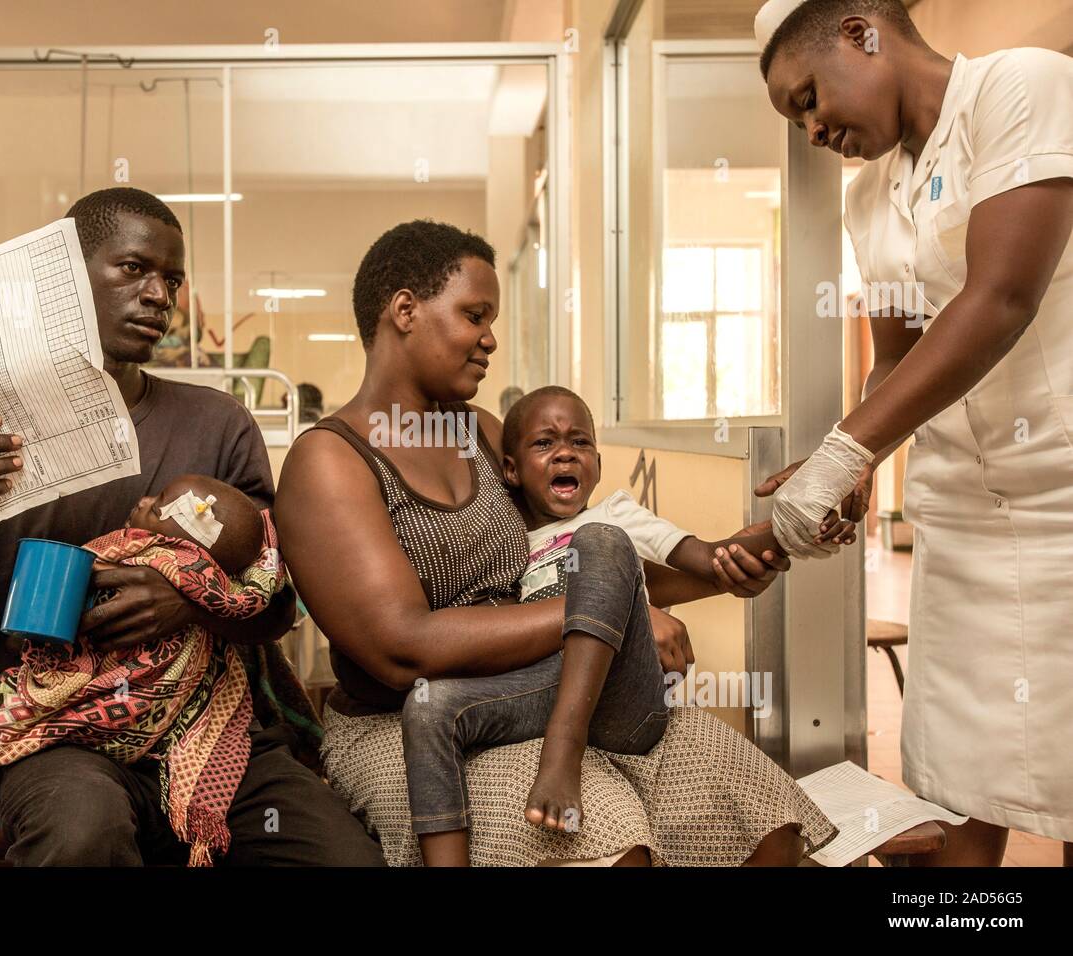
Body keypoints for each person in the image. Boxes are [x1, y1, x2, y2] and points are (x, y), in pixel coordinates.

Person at [276, 219, 839, 866]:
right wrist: (609, 619)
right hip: (410, 723)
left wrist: (741, 555)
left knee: (764, 818)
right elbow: (405, 648)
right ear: (404, 311)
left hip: (548, 685)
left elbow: (567, 565)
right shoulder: (330, 462)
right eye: (474, 315)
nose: (490, 338)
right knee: (610, 846)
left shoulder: (481, 433)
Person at [0, 187, 386, 866]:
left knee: (343, 860)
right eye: (133, 270)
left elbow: (274, 607)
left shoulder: (216, 425)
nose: (160, 295)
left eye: (173, 279)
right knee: (80, 836)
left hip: (211, 731)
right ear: (63, 279)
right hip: (59, 742)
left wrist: (186, 602)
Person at [754, 0, 1073, 865]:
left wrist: (844, 449)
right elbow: (892, 356)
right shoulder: (870, 198)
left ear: (864, 31)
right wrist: (855, 469)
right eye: (799, 118)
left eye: (809, 98)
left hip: (1063, 507)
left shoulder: (1022, 87)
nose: (815, 129)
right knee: (956, 788)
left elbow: (1001, 296)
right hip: (961, 520)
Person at [399, 384, 855, 865]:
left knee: (600, 541)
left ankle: (563, 751)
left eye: (579, 443)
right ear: (510, 470)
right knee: (429, 707)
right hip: (546, 684)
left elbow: (709, 555)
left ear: (596, 459)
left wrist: (797, 529)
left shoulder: (614, 514)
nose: (564, 455)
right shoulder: (508, 540)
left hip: (620, 695)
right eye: (544, 444)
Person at [0, 473, 289, 866]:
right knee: (80, 830)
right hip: (72, 756)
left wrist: (190, 601)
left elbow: (271, 597)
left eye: (157, 506)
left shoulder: (131, 547)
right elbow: (256, 584)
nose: (143, 501)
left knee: (335, 848)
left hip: (187, 726)